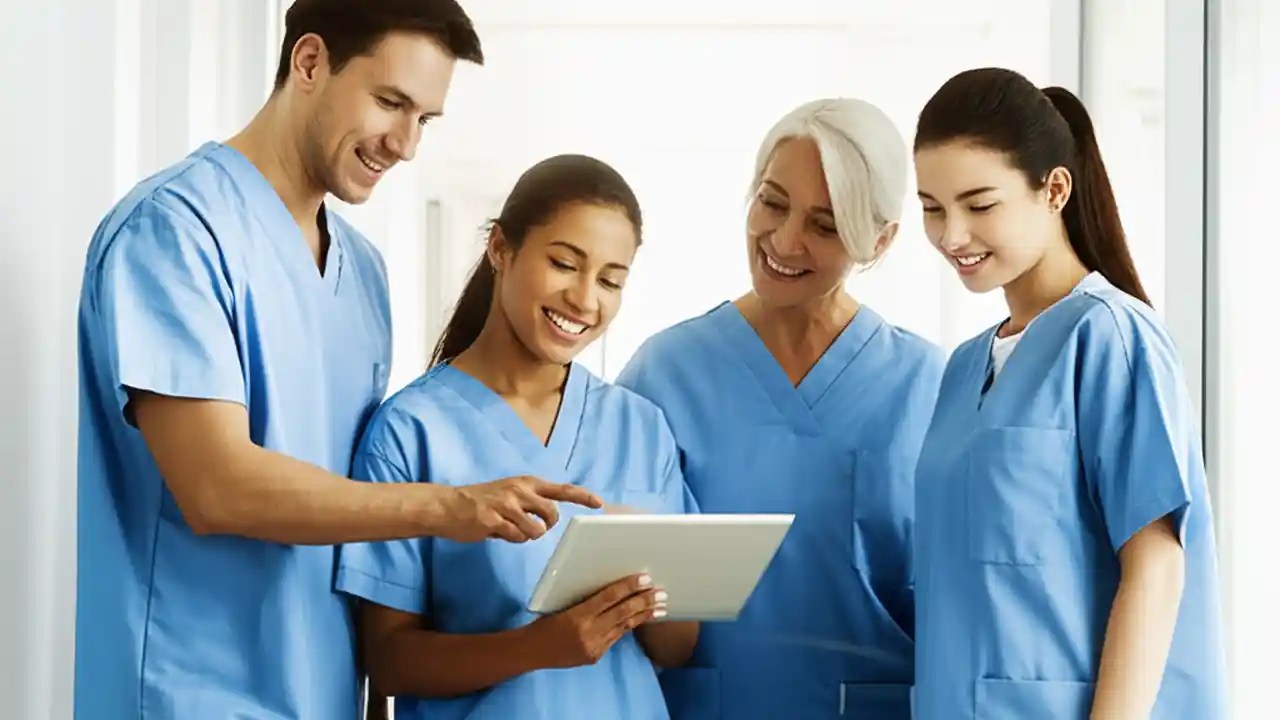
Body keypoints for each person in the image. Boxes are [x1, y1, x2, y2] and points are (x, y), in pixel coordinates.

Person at [74, 2, 603, 718]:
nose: (406, 143)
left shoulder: (363, 274)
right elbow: (216, 486)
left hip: (323, 694)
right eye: (391, 103)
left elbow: (354, 514)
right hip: (188, 691)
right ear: (311, 63)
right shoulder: (175, 232)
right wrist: (450, 506)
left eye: (426, 119)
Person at [910, 67, 1228, 719]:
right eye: (932, 208)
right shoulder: (965, 367)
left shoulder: (1110, 336)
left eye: (979, 204)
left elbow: (1157, 567)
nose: (951, 236)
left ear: (1054, 189)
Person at [337, 154, 699, 720]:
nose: (584, 299)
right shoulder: (411, 431)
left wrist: (649, 586)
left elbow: (677, 648)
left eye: (610, 280)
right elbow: (387, 661)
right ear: (501, 249)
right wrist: (539, 649)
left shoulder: (640, 427)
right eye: (564, 263)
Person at [614, 98, 944, 719]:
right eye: (772, 202)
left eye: (824, 225)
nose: (785, 239)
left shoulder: (928, 385)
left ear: (880, 239)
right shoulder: (665, 373)